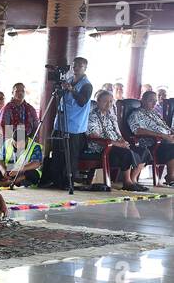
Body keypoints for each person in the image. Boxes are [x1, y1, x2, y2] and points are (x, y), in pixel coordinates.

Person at [87, 89, 145, 191]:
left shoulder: (111, 116)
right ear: (98, 102)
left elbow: (118, 133)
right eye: (105, 101)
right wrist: (117, 144)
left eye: (111, 101)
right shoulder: (92, 116)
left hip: (117, 145)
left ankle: (133, 179)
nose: (109, 104)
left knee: (143, 151)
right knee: (126, 152)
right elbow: (93, 136)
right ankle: (127, 182)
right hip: (102, 147)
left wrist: (123, 142)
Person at [57, 56, 94, 189]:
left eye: (79, 65)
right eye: (74, 65)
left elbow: (82, 101)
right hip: (62, 121)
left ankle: (68, 182)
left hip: (75, 125)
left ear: (85, 68)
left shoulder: (87, 85)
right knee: (59, 152)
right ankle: (57, 180)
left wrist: (72, 89)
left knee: (71, 155)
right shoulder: (69, 80)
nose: (76, 68)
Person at [126, 89, 174, 185]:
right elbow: (137, 130)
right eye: (151, 100)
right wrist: (162, 135)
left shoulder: (155, 114)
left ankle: (170, 176)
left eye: (155, 101)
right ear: (142, 100)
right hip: (152, 144)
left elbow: (166, 128)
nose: (154, 103)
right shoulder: (136, 114)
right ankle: (171, 176)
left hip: (165, 141)